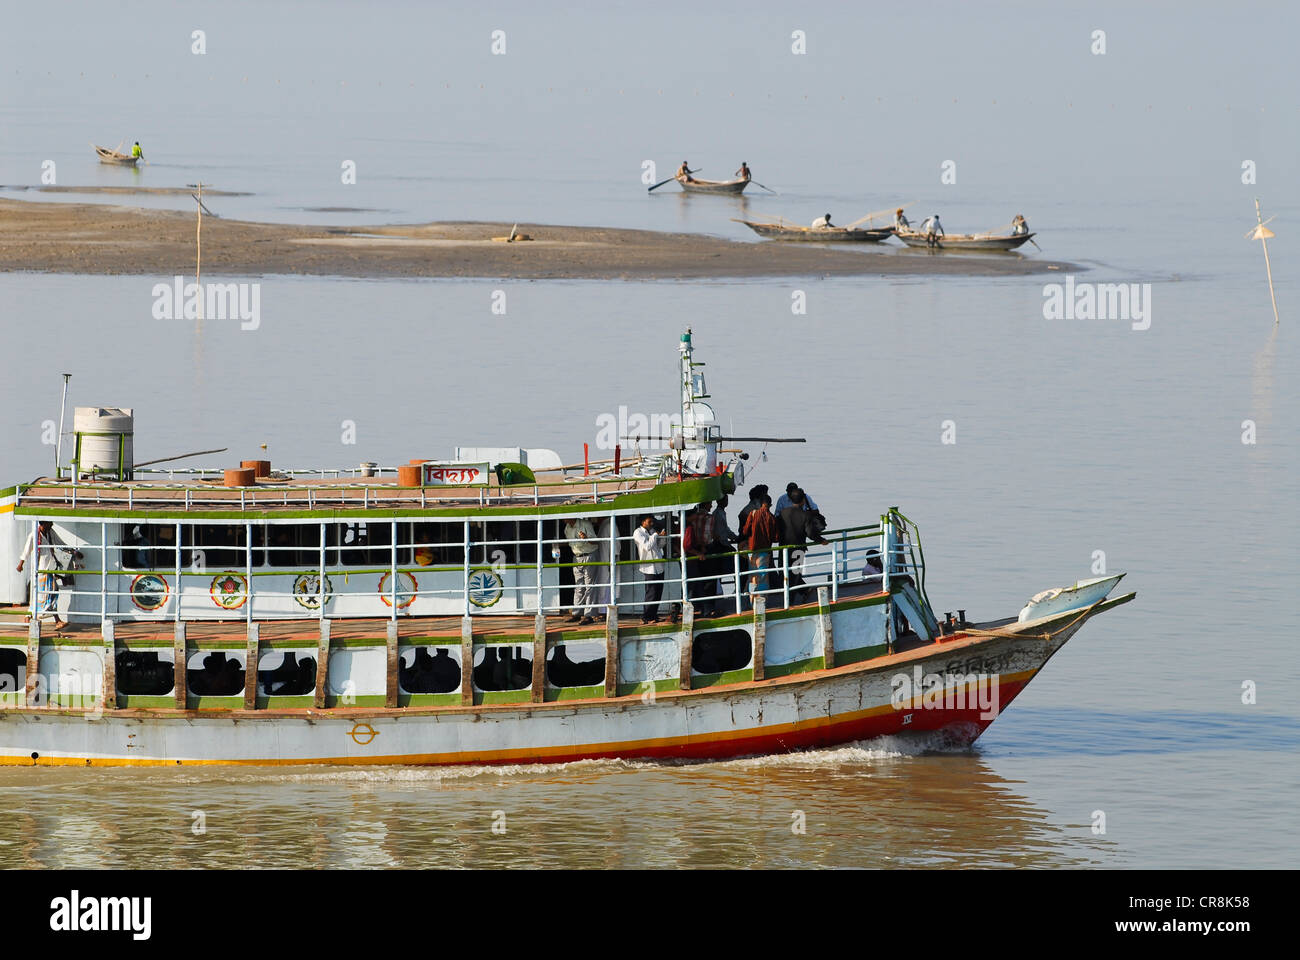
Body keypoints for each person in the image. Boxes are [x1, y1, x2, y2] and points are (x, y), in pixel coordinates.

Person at [17, 520, 82, 627]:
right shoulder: (34, 535)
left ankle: (33, 617)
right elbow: (26, 551)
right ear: (43, 524)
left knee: (51, 594)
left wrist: (73, 552)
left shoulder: (50, 532)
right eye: (49, 523)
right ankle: (52, 620)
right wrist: (21, 564)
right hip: (40, 571)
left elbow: (60, 543)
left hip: (51, 568)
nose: (52, 524)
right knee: (44, 595)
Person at [740, 493, 779, 599]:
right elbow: (776, 538)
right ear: (770, 505)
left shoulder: (753, 514)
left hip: (752, 550)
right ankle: (762, 599)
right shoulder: (772, 518)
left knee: (753, 575)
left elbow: (745, 531)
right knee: (763, 575)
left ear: (761, 504)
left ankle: (752, 600)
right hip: (765, 551)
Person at [563, 517, 600, 624]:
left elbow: (595, 541)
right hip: (576, 557)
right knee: (579, 586)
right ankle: (577, 613)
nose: (564, 518)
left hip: (589, 555)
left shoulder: (585, 524)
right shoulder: (567, 528)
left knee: (590, 586)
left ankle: (589, 615)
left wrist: (586, 537)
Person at [684, 501, 716, 614]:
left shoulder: (691, 523)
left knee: (697, 583)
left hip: (696, 552)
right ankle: (707, 607)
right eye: (710, 503)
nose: (711, 506)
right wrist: (700, 551)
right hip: (698, 553)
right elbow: (707, 536)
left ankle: (700, 607)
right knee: (703, 582)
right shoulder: (707, 518)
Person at [632, 515, 666, 623]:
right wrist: (656, 535)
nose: (652, 523)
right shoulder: (638, 532)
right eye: (649, 521)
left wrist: (662, 537)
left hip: (658, 566)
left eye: (652, 521)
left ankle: (653, 615)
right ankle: (646, 617)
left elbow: (659, 546)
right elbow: (647, 546)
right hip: (649, 568)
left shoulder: (652, 531)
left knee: (658, 592)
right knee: (651, 593)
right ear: (643, 522)